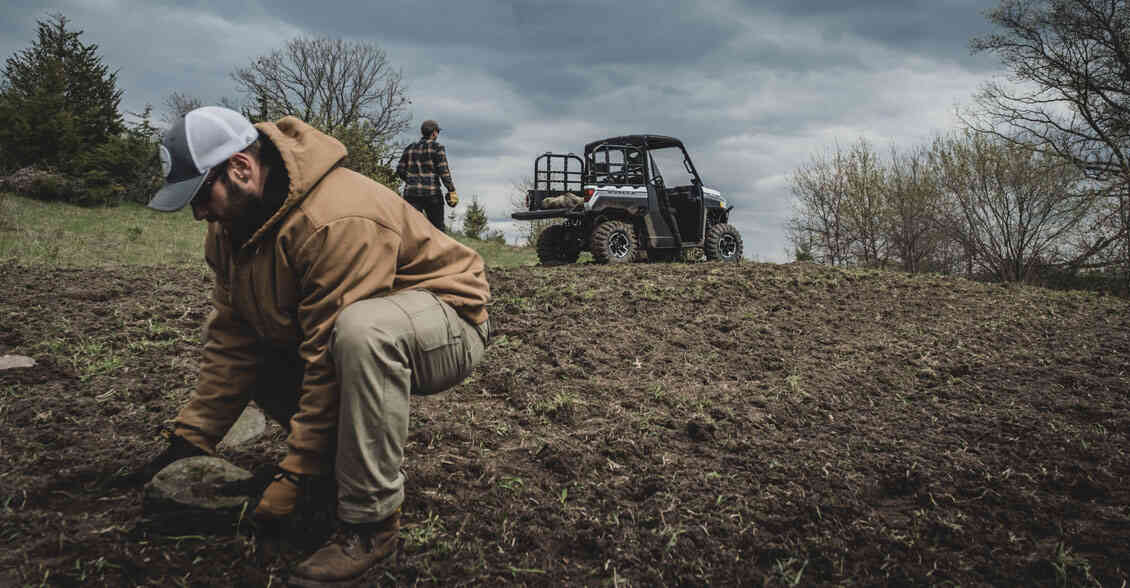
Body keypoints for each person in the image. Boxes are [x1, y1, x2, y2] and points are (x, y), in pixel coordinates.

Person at [137, 106, 490, 587]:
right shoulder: (229, 232)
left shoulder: (334, 219)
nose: (199, 212)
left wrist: (294, 473)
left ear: (240, 169)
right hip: (352, 329)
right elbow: (232, 339)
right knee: (284, 336)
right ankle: (327, 474)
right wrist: (189, 439)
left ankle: (370, 524)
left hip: (447, 320)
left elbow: (328, 355)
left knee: (363, 332)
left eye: (200, 195)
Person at [396, 119, 458, 230]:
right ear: (434, 132)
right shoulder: (437, 148)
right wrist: (451, 190)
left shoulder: (410, 148)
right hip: (432, 194)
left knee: (411, 230)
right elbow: (443, 172)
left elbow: (400, 170)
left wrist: (412, 180)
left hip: (411, 195)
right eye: (437, 131)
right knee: (437, 230)